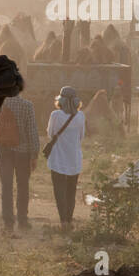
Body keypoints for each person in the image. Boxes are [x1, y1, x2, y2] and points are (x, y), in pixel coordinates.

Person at [0, 94, 39, 233]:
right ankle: (23, 220)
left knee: (6, 186)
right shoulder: (27, 105)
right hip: (23, 152)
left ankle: (8, 222)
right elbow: (32, 131)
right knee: (23, 186)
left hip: (4, 150)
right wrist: (34, 154)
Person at [45, 86, 85, 232]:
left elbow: (50, 134)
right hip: (74, 159)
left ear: (60, 100)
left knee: (59, 192)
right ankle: (69, 219)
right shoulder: (81, 116)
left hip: (58, 160)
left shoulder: (55, 115)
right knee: (71, 192)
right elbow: (81, 136)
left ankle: (63, 222)